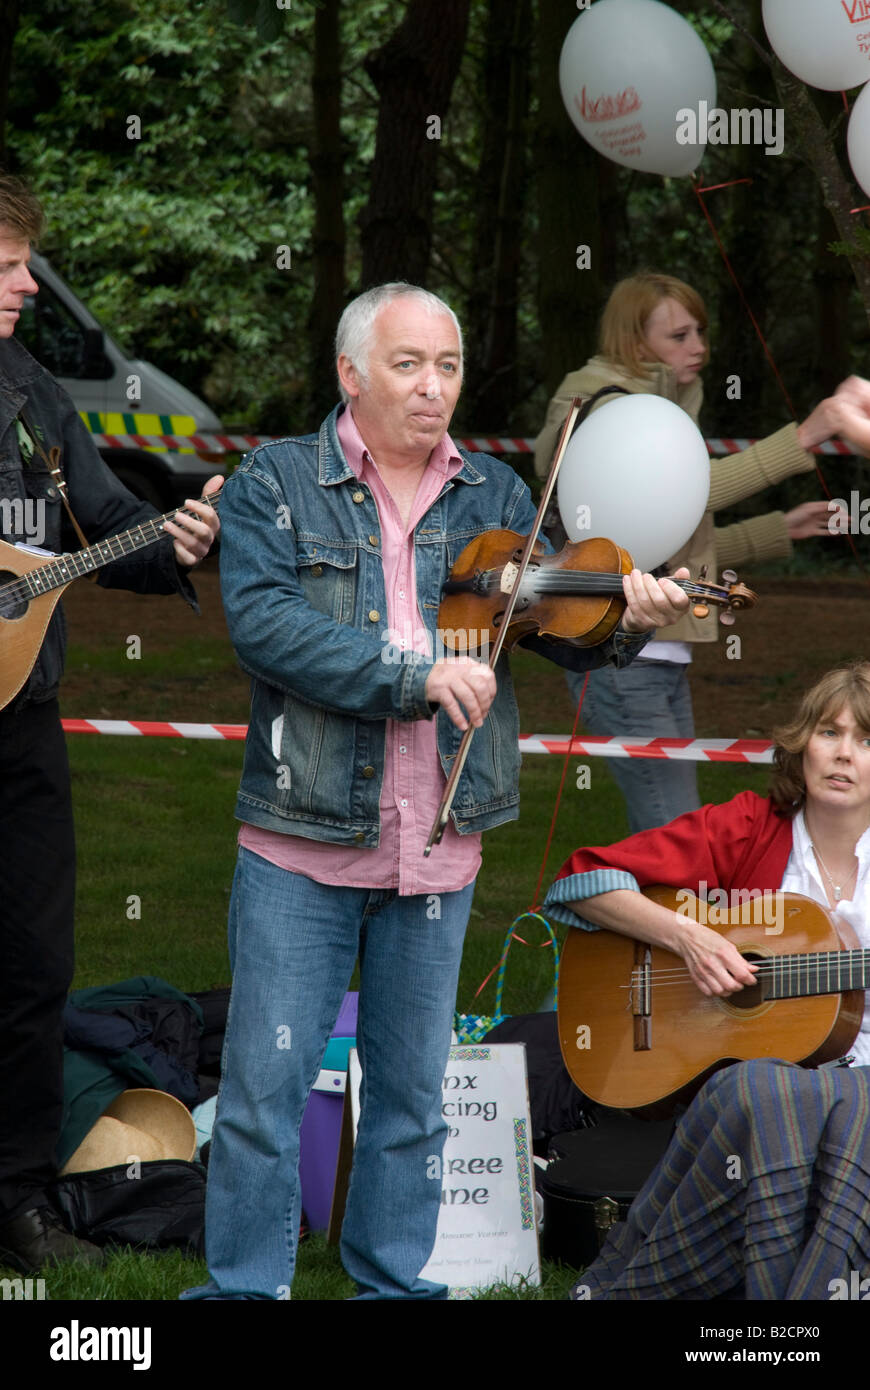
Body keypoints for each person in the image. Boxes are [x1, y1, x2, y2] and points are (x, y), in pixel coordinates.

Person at [182, 281, 691, 1302]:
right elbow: (269, 628)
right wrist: (413, 675)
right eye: (409, 364)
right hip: (303, 842)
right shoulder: (275, 481)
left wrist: (631, 613)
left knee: (415, 1095)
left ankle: (392, 1285)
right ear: (351, 373)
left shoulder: (498, 496)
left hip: (440, 844)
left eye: (448, 366)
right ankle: (245, 1290)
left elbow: (560, 627)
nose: (432, 387)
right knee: (260, 1096)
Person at [0, 176, 221, 1275]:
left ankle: (19, 1197)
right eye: (5, 264)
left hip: (21, 719)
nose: (25, 283)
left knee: (33, 964)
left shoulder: (34, 392)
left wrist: (185, 537)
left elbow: (106, 521)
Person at [542, 662, 870, 1299]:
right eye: (830, 732)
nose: (844, 754)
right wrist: (690, 937)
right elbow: (581, 885)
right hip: (752, 1094)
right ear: (803, 742)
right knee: (767, 1092)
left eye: (867, 740)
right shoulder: (752, 826)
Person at [535, 272, 857, 834]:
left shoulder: (667, 405)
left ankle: (662, 918)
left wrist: (780, 529)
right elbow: (685, 493)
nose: (699, 347)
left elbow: (669, 562)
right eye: (678, 335)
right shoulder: (599, 402)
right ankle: (658, 919)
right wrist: (805, 435)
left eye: (700, 332)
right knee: (675, 831)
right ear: (636, 341)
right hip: (614, 654)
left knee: (674, 831)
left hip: (659, 655)